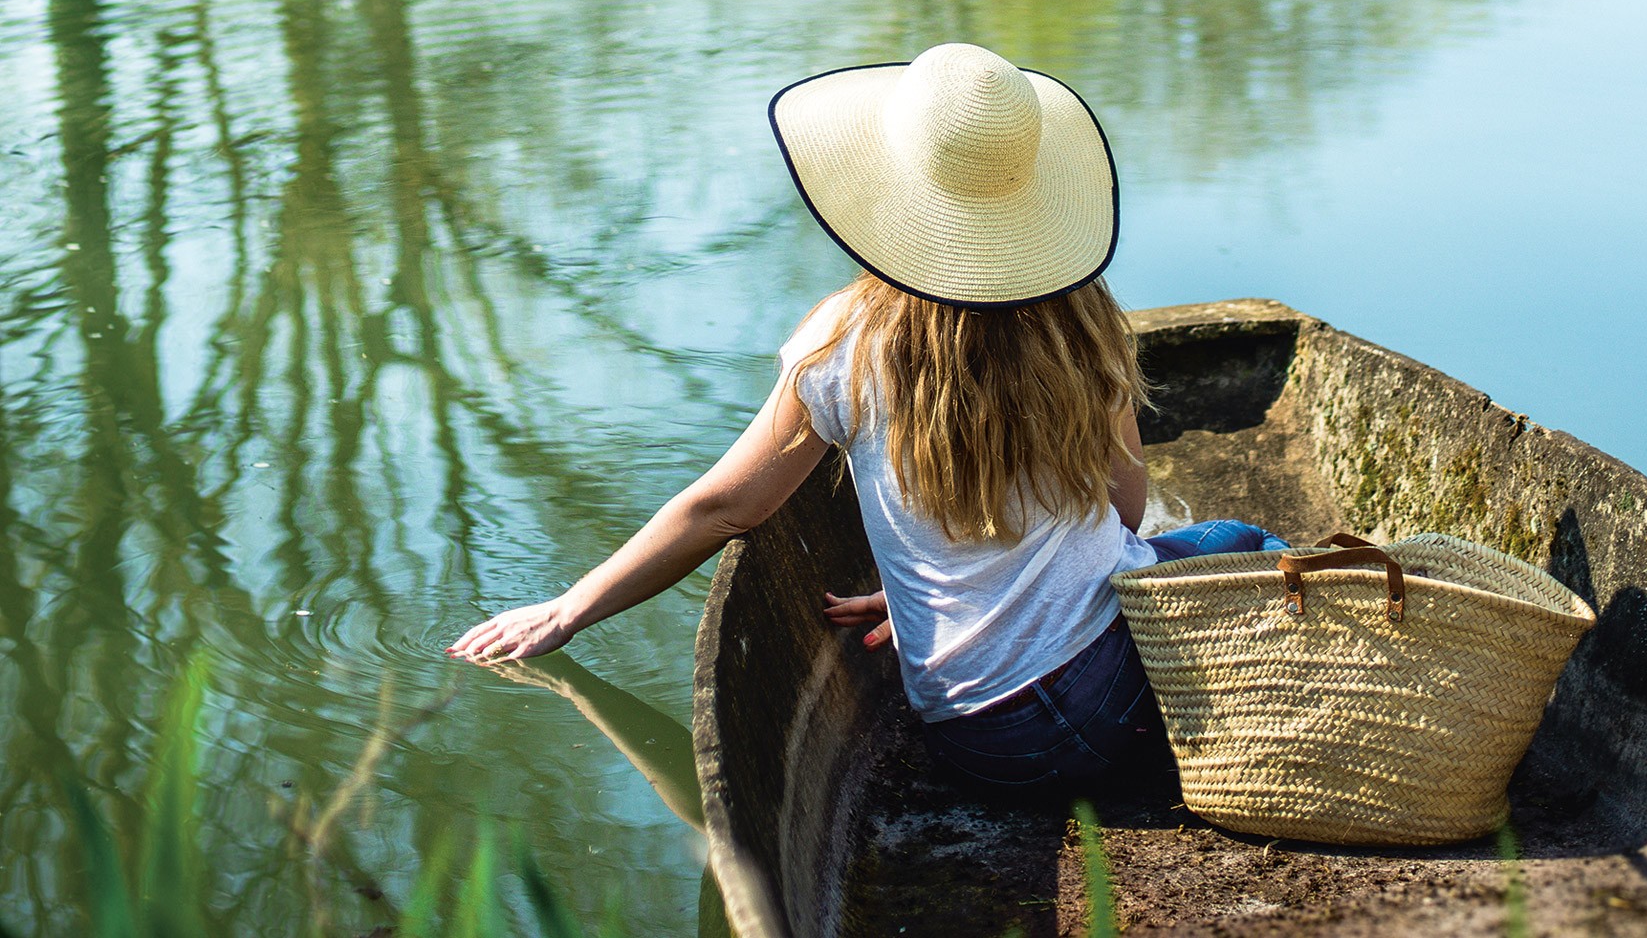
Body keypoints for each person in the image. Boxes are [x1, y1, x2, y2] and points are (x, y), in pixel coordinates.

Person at [448, 43, 1287, 793]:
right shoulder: (1083, 322)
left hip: (983, 744)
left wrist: (567, 608)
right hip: (1119, 718)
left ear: (888, 191)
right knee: (1243, 545)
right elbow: (1125, 516)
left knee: (1195, 553)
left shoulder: (842, 343)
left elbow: (725, 508)